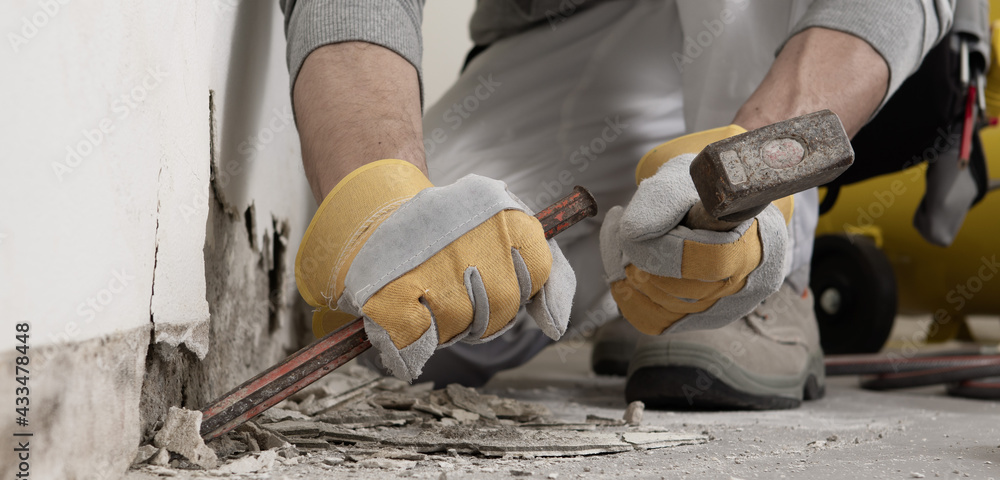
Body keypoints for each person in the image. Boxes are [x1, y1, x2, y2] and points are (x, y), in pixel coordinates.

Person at [283, 0, 955, 410]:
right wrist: (378, 188)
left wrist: (755, 170)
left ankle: (772, 278)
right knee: (405, 318)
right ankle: (639, 265)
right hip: (580, 30)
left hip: (803, 39)